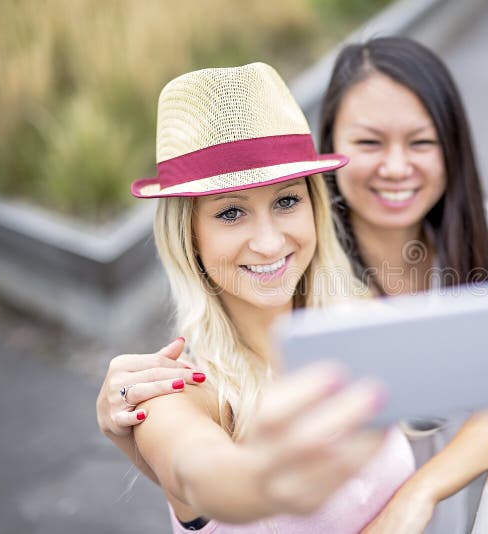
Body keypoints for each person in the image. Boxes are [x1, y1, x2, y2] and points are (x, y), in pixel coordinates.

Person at [121, 63, 418, 532]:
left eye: (285, 201)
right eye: (232, 212)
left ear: (314, 207)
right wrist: (261, 484)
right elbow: (198, 470)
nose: (268, 242)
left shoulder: (360, 320)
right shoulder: (177, 392)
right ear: (189, 235)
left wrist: (418, 497)